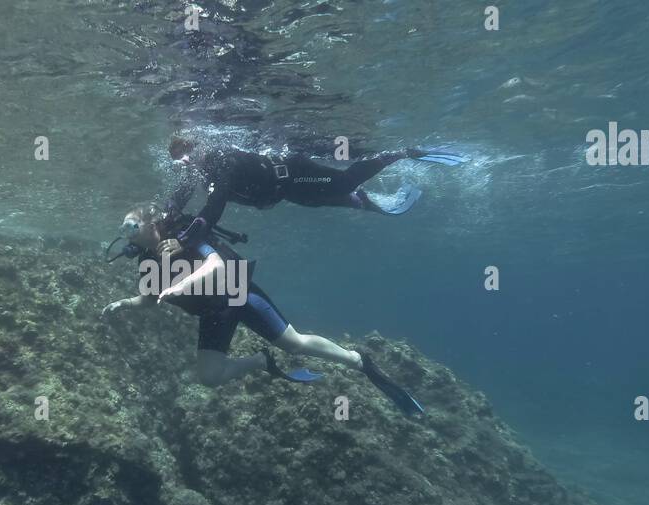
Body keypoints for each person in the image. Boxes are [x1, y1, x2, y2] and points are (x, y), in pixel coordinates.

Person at [101, 202, 425, 415]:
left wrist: (181, 286)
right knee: (209, 377)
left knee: (295, 344)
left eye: (131, 226)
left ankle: (359, 361)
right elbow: (148, 298)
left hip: (238, 293)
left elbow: (215, 263)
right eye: (123, 229)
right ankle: (260, 361)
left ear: (151, 223)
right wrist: (123, 304)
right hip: (213, 314)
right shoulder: (147, 260)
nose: (126, 233)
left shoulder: (185, 234)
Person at [162, 135, 467, 254]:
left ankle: (399, 152)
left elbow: (214, 204)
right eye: (180, 160)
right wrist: (167, 213)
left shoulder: (219, 160)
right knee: (321, 200)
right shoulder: (198, 171)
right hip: (288, 192)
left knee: (343, 184)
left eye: (188, 152)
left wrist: (190, 236)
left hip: (293, 173)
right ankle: (361, 200)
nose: (186, 161)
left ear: (199, 145)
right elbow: (181, 194)